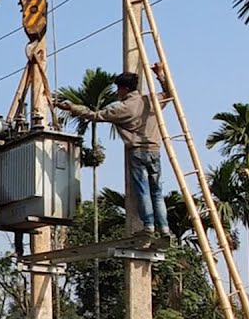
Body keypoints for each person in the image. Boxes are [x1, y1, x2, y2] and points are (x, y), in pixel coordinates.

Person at [56, 69, 169, 236]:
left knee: (143, 190)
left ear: (125, 89)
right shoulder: (152, 101)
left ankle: (149, 226)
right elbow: (168, 93)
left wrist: (73, 107)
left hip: (137, 152)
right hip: (155, 150)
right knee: (157, 192)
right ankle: (164, 228)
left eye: (119, 89)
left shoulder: (122, 108)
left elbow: (94, 115)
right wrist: (160, 75)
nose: (117, 93)